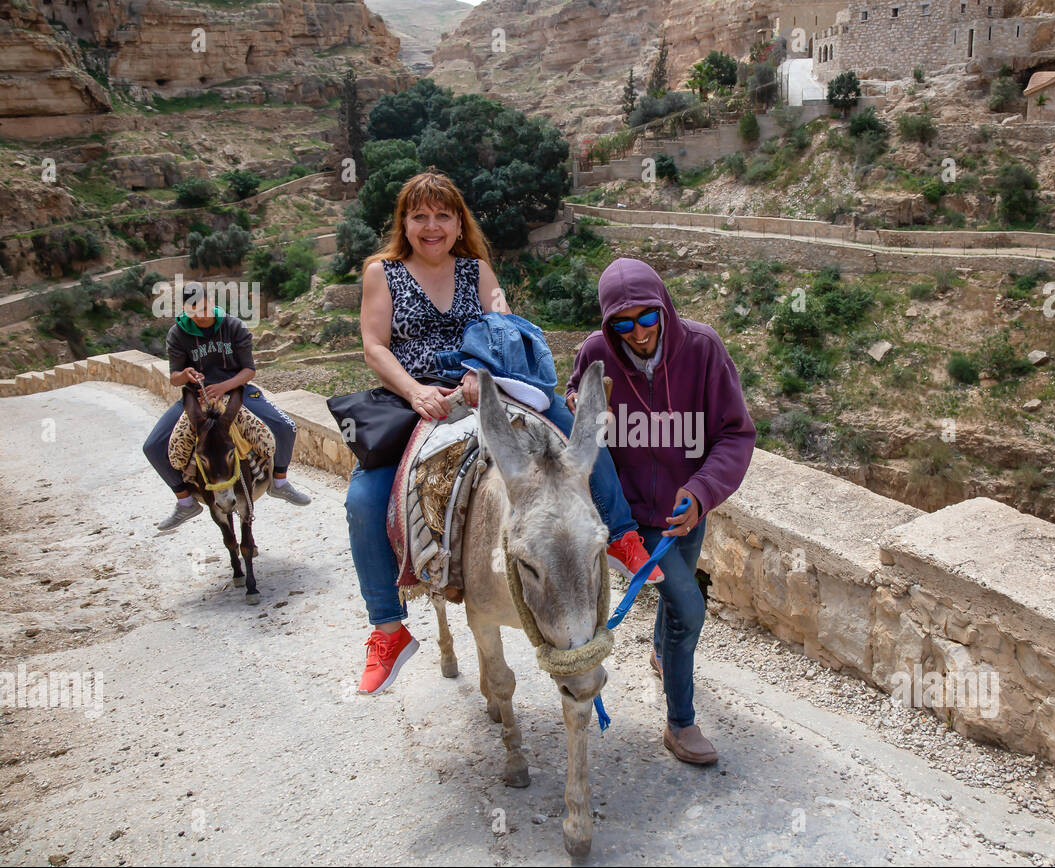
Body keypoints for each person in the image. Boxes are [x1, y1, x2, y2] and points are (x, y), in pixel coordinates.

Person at [347, 171, 662, 696]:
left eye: (443, 215)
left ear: (457, 222)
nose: (432, 226)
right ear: (404, 222)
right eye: (420, 216)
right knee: (364, 496)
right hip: (417, 396)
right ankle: (387, 627)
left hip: (485, 387)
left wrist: (482, 372)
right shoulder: (383, 272)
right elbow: (374, 344)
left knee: (575, 431)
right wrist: (415, 391)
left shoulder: (476, 271)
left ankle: (622, 534)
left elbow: (505, 331)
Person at [565, 257, 755, 765]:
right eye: (622, 323)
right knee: (689, 609)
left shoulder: (703, 348)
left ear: (664, 308)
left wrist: (702, 491)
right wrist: (585, 411)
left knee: (675, 601)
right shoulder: (596, 352)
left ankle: (660, 655)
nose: (638, 332)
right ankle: (681, 724)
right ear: (608, 324)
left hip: (685, 509)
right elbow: (574, 404)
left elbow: (734, 433)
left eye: (647, 317)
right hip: (628, 518)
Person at [143, 282, 310, 531]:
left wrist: (223, 387)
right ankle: (185, 501)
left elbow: (248, 371)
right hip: (196, 399)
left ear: (211, 302)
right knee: (153, 447)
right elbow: (174, 377)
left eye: (203, 308)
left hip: (236, 392)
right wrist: (186, 374)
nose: (199, 315)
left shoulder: (232, 326)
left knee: (286, 427)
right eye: (193, 311)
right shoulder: (177, 334)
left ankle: (279, 483)